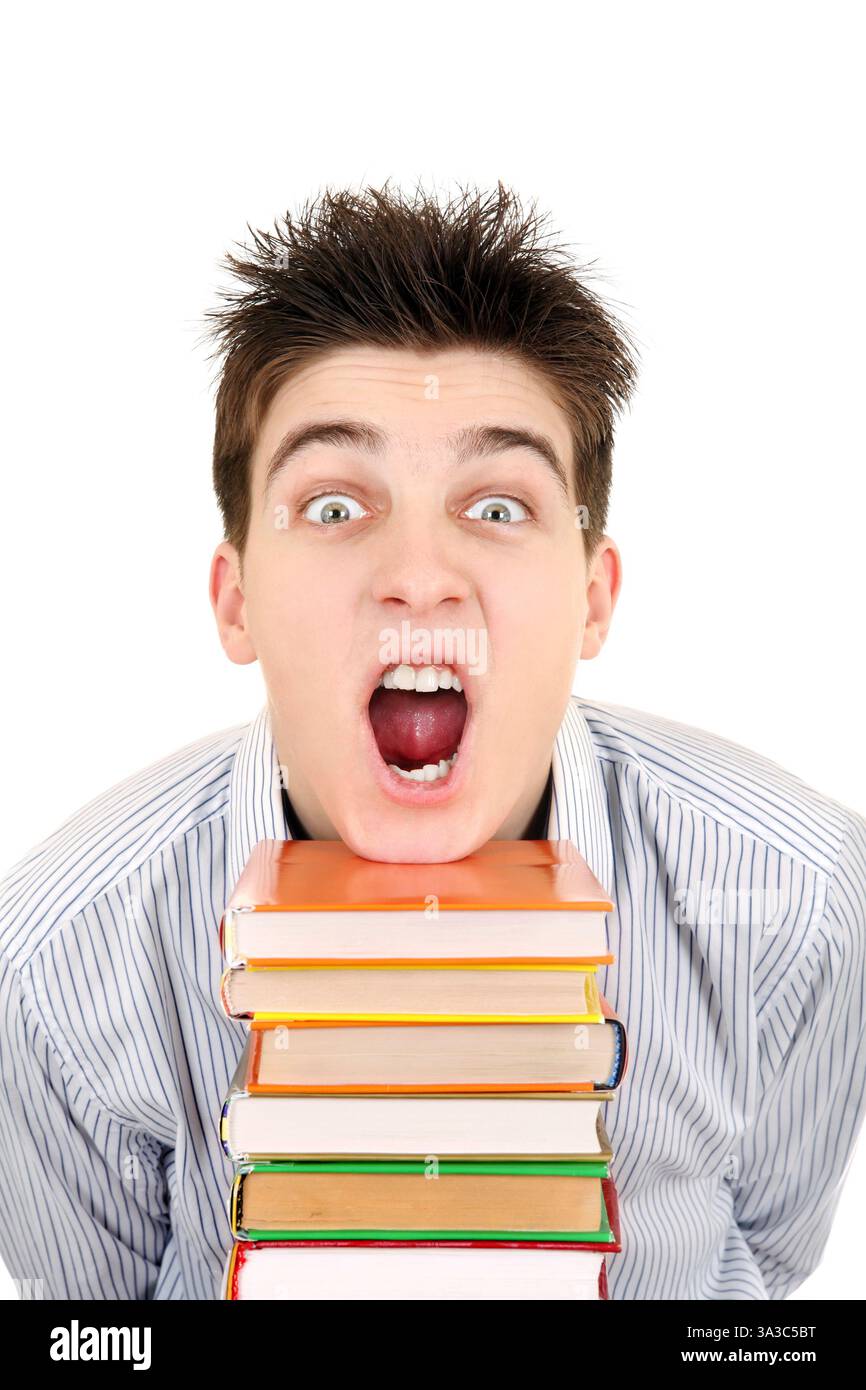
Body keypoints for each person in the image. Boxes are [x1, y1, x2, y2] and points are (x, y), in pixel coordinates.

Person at [1, 183, 863, 1300]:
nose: (415, 574)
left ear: (592, 598)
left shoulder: (807, 899)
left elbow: (763, 1264)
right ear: (236, 601)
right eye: (331, 505)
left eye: (497, 505)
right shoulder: (52, 968)